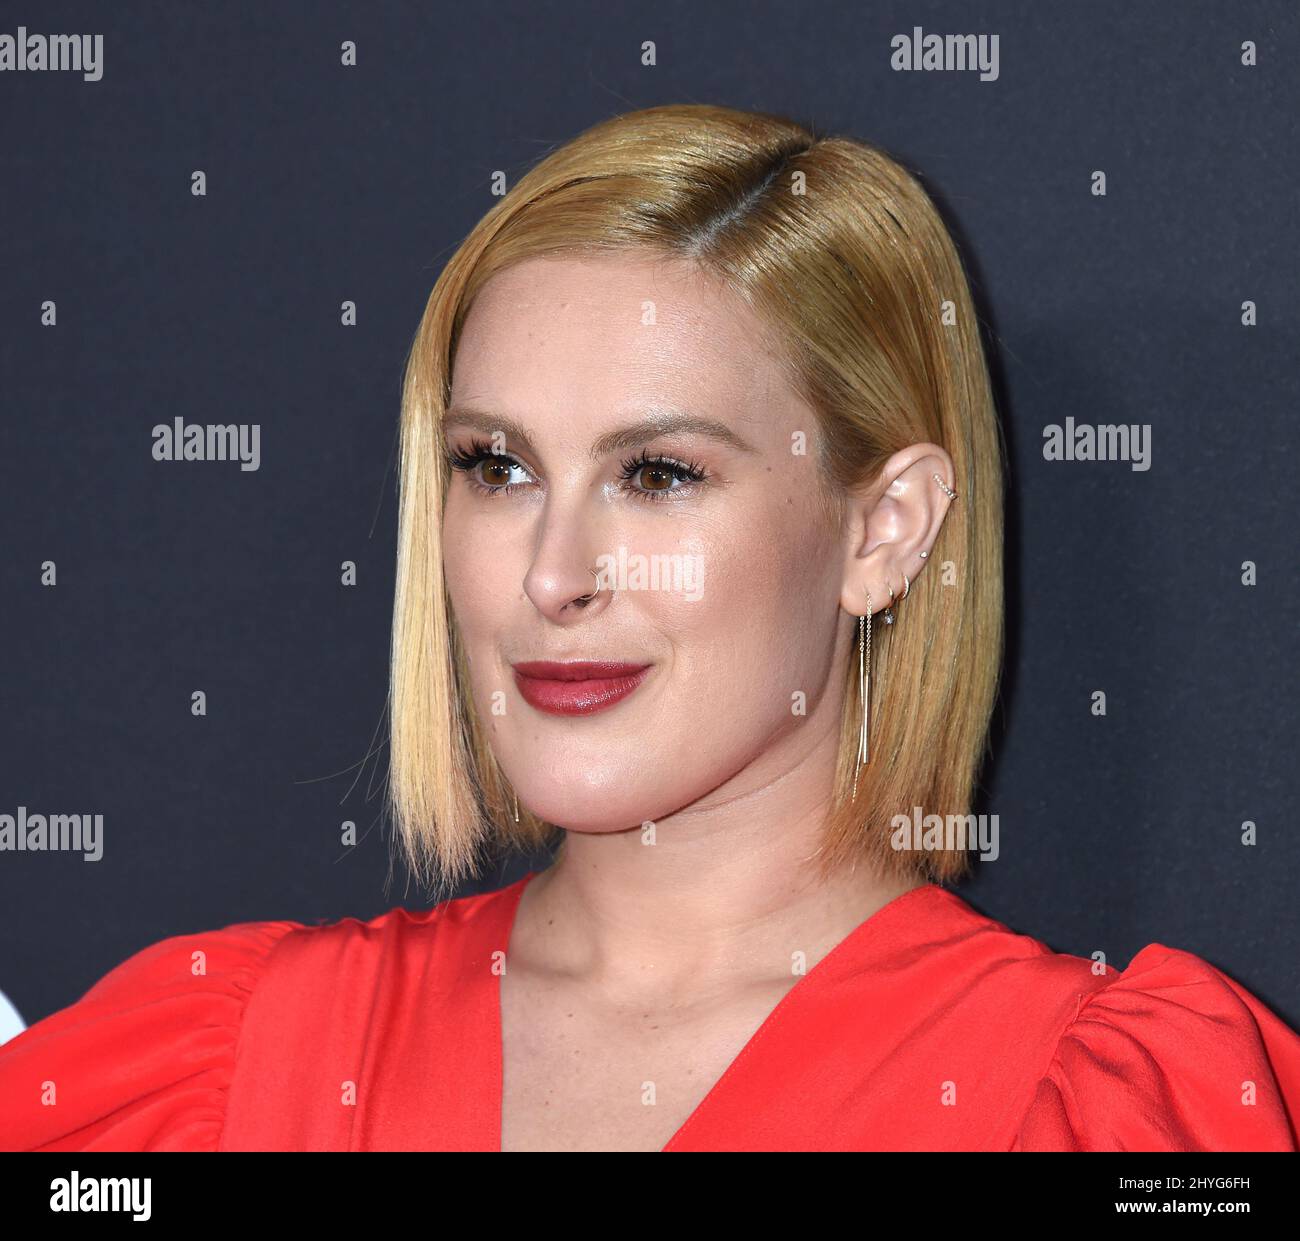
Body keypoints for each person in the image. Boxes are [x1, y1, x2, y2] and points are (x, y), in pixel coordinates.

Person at [2, 104, 1296, 1152]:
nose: (552, 577)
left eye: (661, 473)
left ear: (883, 530)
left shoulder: (1106, 1106)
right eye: (496, 467)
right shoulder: (222, 1070)